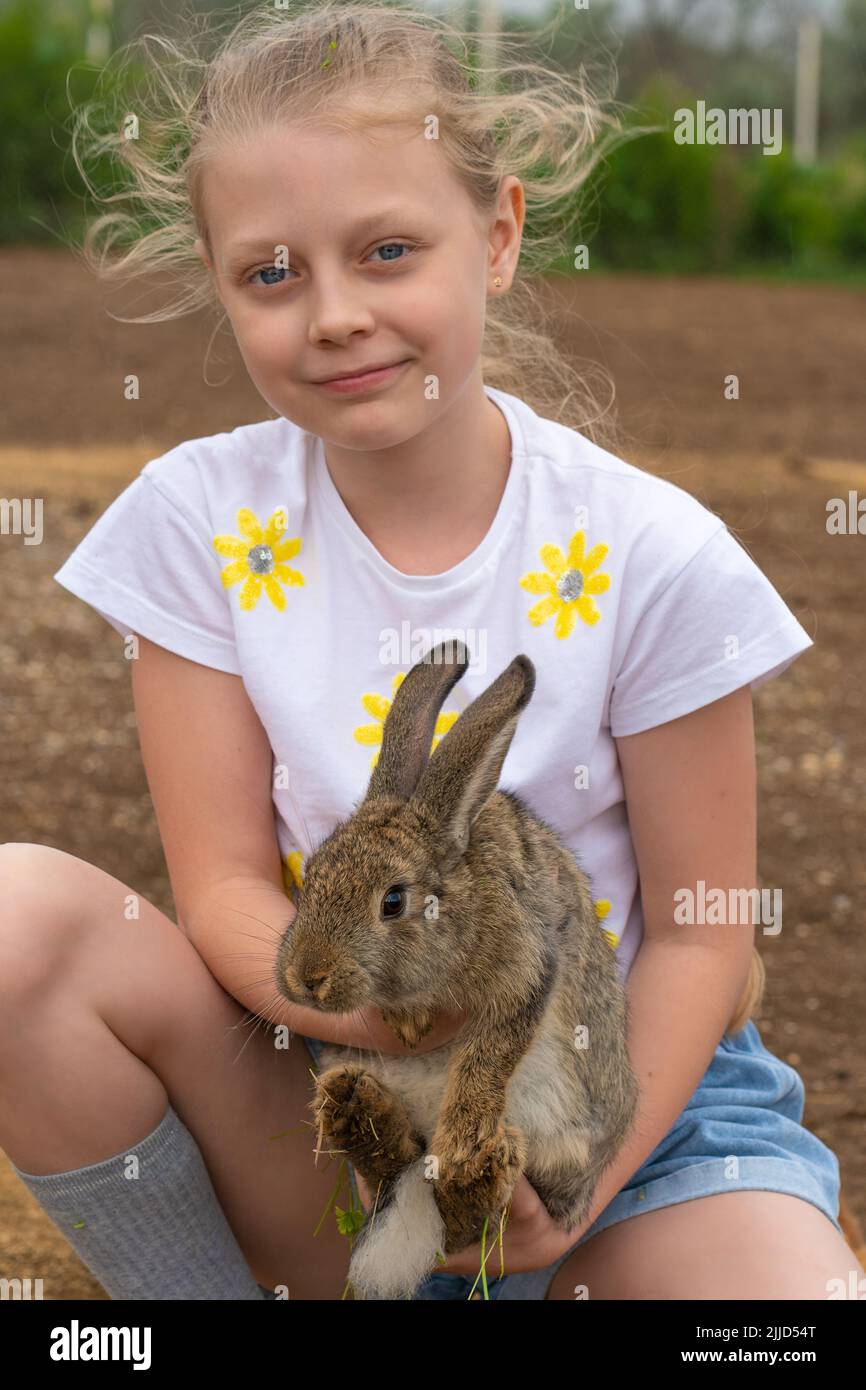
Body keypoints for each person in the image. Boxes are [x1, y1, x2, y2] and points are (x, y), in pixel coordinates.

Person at [1, 1, 859, 1302]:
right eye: (271, 273)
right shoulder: (198, 526)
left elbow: (700, 930)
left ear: (498, 235)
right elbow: (225, 891)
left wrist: (570, 1178)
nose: (334, 313)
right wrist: (387, 1025)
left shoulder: (649, 553)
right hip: (336, 1084)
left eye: (387, 250)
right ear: (223, 286)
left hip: (626, 1108)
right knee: (16, 926)